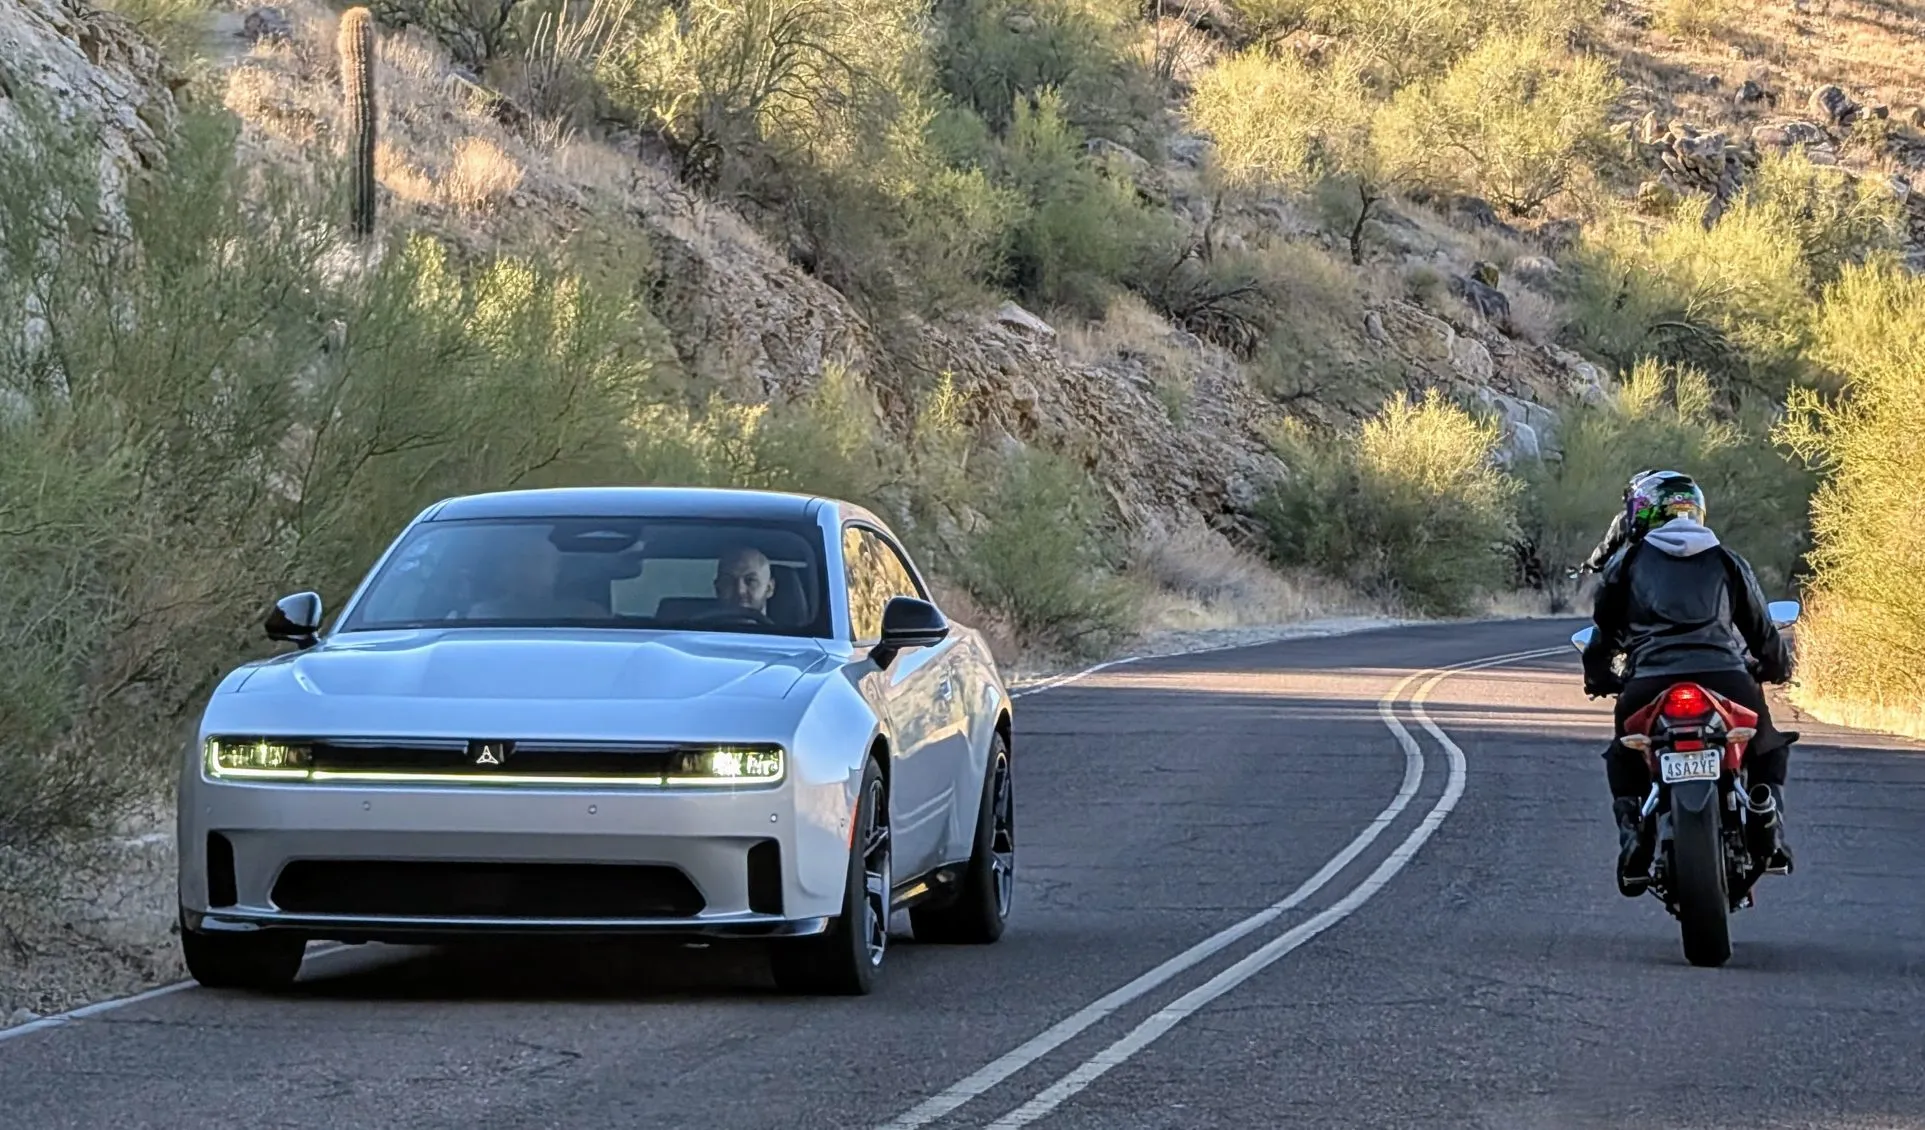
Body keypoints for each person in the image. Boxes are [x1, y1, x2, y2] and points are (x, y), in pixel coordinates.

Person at [1580, 472, 1796, 895]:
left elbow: (1602, 633)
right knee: (1766, 740)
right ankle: (1765, 812)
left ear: (1644, 514)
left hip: (1648, 681)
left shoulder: (1626, 563)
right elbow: (1762, 630)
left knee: (1623, 754)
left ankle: (1633, 836)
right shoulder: (1726, 559)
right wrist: (1776, 667)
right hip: (1725, 675)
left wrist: (1599, 677)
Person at [1573, 468, 1658, 577]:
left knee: (1607, 583)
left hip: (1639, 564)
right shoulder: (1678, 520)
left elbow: (1607, 547)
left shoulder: (1628, 518)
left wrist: (1591, 564)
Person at [713, 545, 778, 617]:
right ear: (717, 588)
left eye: (750, 580)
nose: (740, 591)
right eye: (728, 581)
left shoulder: (789, 628)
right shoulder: (701, 627)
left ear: (769, 588)